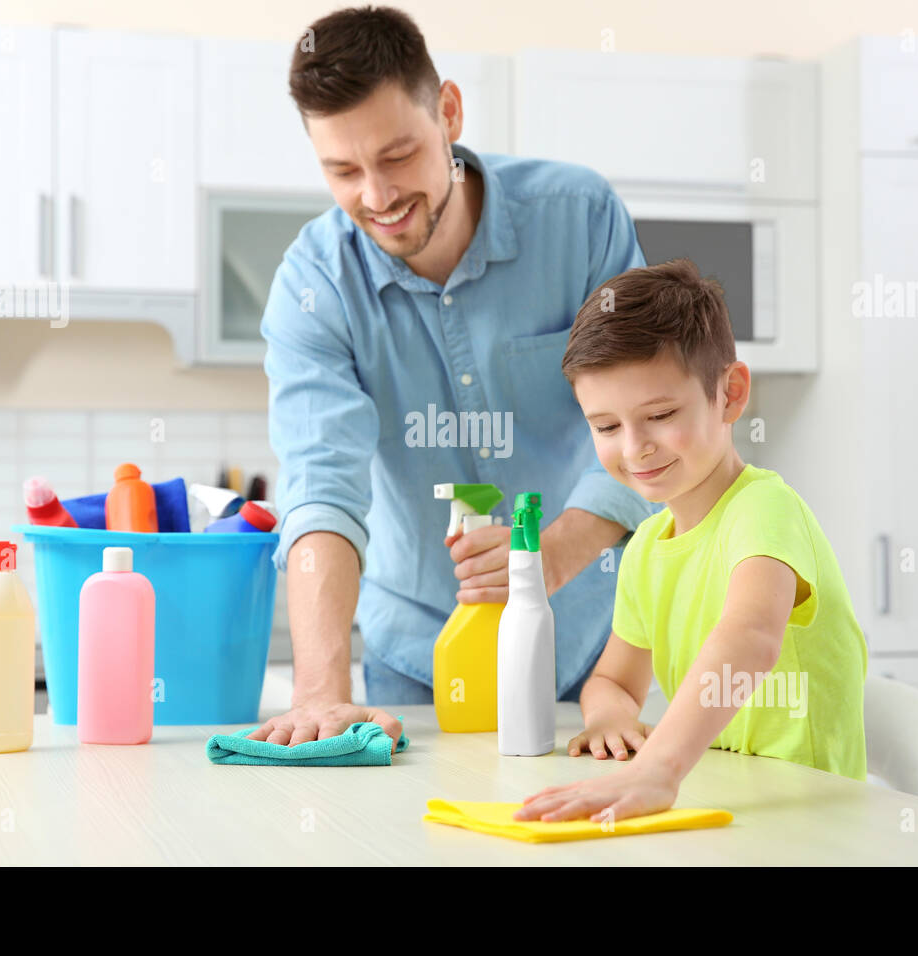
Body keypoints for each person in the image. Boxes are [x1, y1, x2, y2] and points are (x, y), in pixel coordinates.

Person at [248, 6, 653, 750]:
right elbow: (322, 485)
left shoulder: (580, 220)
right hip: (419, 661)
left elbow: (646, 422)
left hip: (592, 649)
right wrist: (319, 694)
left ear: (449, 113)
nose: (377, 196)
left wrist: (551, 554)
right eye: (342, 170)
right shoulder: (314, 285)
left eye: (398, 155)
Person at [515, 259, 868, 822]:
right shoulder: (648, 545)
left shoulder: (764, 510)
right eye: (606, 427)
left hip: (806, 817)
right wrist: (610, 718)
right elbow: (611, 680)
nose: (634, 449)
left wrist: (658, 768)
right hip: (722, 804)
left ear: (729, 395)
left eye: (659, 414)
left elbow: (750, 636)